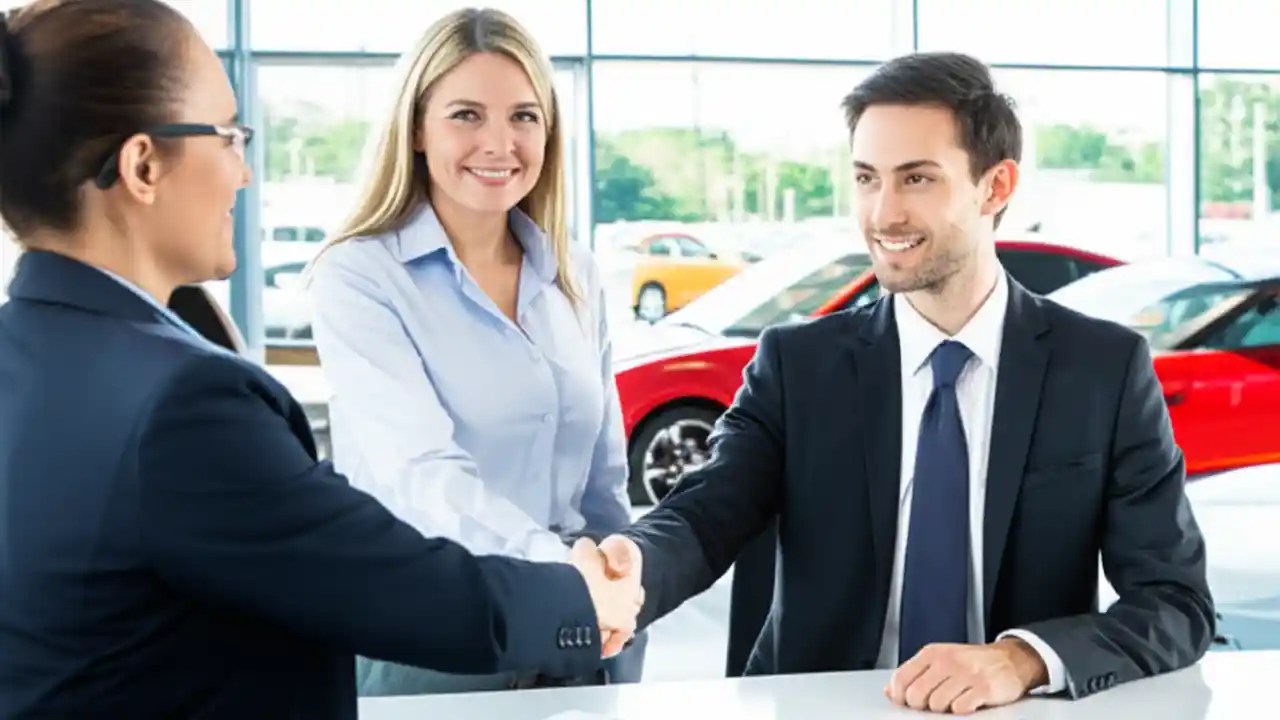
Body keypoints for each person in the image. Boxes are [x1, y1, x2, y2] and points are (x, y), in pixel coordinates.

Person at [0, 2, 640, 719]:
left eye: (524, 115)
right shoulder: (185, 400)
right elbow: (377, 564)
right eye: (229, 135)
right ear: (143, 164)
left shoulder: (27, 353)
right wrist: (576, 597)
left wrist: (612, 591)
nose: (244, 172)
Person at [583, 52, 1215, 715]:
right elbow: (704, 516)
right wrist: (632, 566)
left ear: (995, 187)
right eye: (866, 178)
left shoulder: (1101, 370)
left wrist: (1021, 659)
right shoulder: (798, 366)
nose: (883, 214)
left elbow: (1174, 603)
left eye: (916, 179)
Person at [305, 7, 644, 696]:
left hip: (577, 640)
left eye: (524, 116)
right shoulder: (360, 277)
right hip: (433, 637)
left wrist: (623, 595)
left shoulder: (575, 273)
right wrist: (564, 573)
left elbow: (603, 481)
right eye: (466, 115)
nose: (500, 142)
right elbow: (419, 474)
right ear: (417, 131)